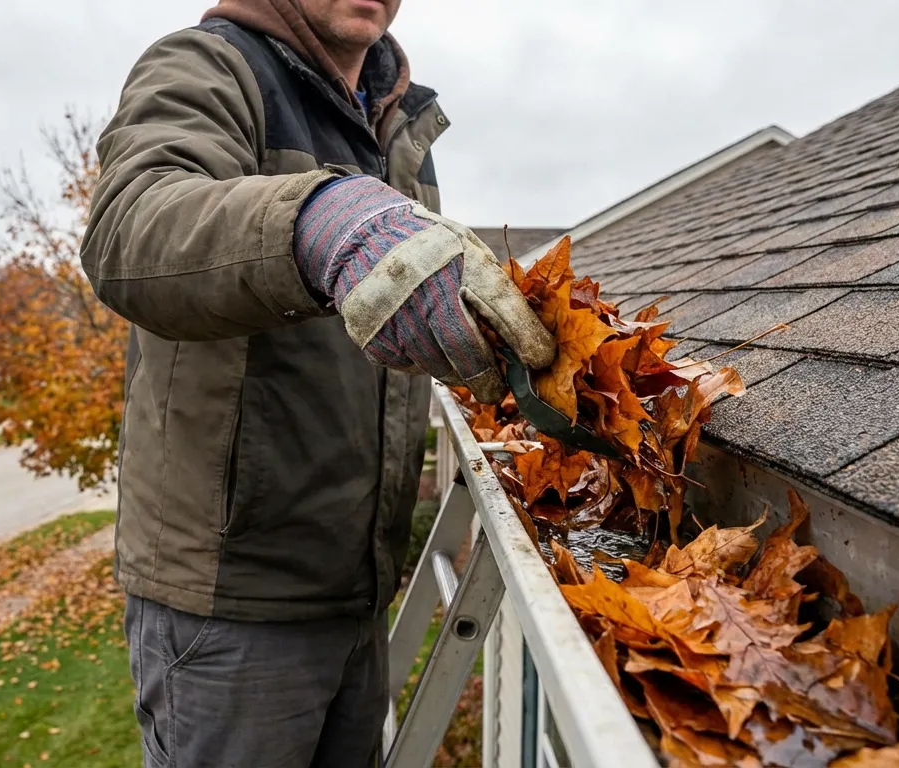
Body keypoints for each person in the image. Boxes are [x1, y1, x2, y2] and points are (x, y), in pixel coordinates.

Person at [80, 0, 554, 765]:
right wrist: (318, 216)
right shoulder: (210, 65)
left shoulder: (403, 123)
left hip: (359, 586)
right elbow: (130, 227)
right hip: (231, 605)